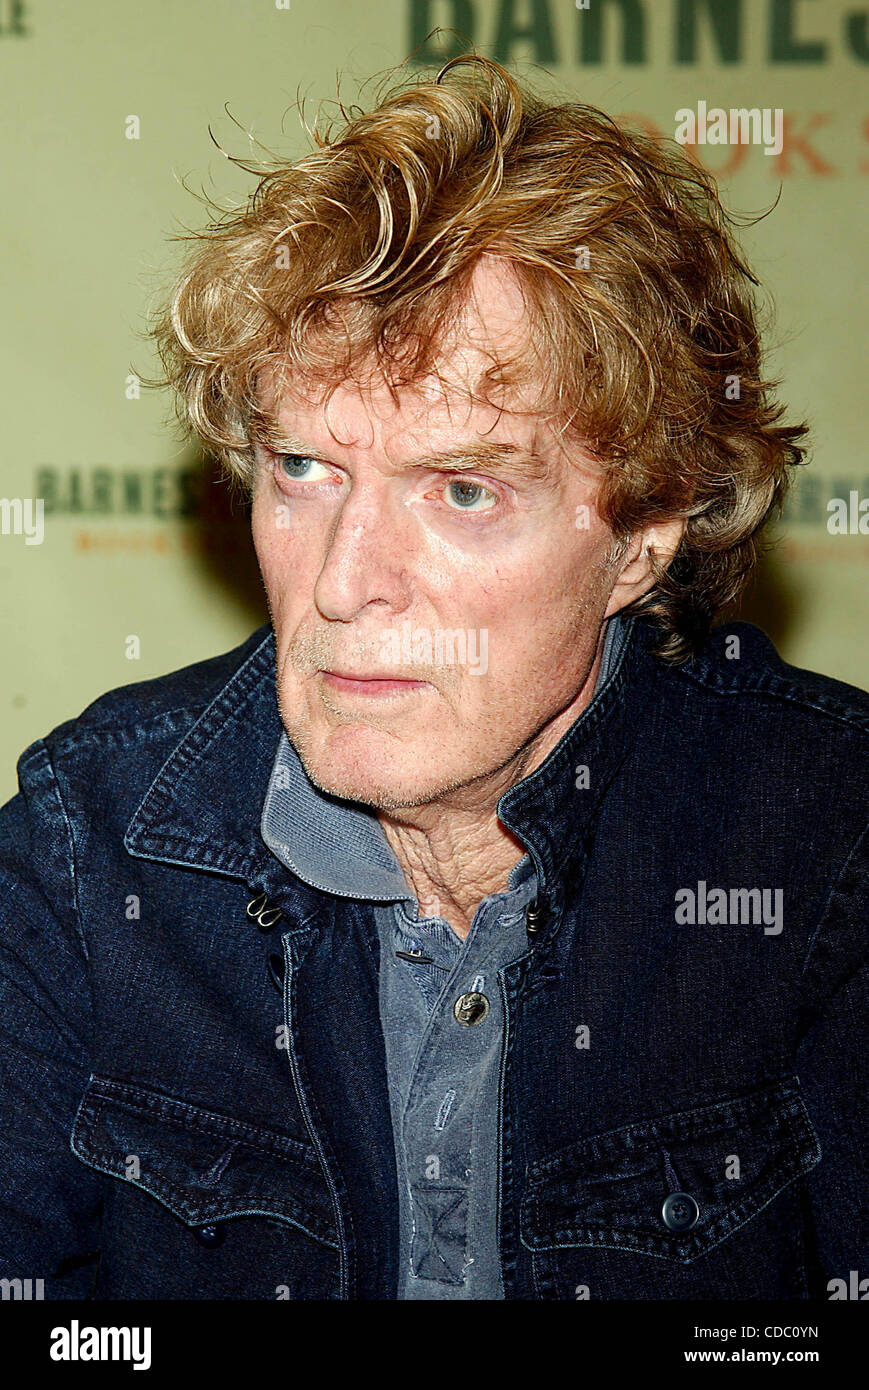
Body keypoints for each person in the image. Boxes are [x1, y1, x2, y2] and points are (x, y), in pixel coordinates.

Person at [0, 54, 865, 1301]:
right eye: (302, 467)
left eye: (461, 489)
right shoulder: (89, 857)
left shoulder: (825, 850)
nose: (348, 581)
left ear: (640, 534)